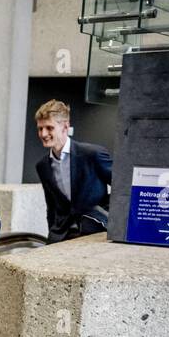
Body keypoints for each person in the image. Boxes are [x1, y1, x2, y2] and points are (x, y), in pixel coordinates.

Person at [33, 99, 113, 243]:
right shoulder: (42, 166)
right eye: (40, 128)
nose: (43, 134)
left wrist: (103, 213)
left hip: (96, 232)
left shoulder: (92, 154)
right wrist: (52, 232)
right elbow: (51, 207)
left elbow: (122, 189)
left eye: (49, 128)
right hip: (61, 235)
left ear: (65, 127)